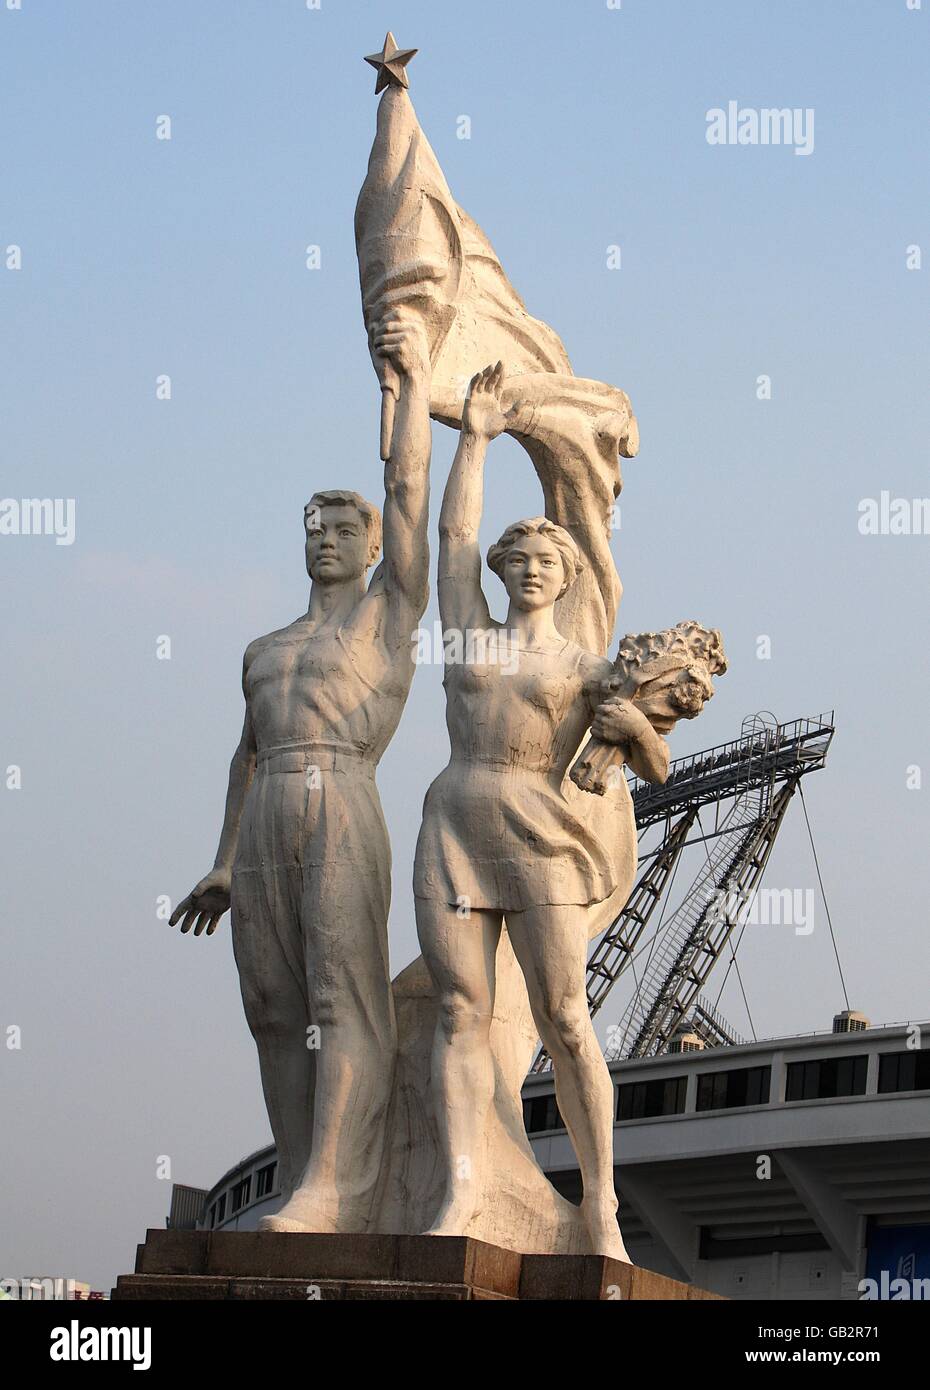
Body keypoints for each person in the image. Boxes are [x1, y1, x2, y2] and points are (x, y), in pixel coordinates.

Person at [169, 310, 432, 1233]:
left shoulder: (386, 620)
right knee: (274, 1007)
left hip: (342, 796)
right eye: (313, 527)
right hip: (269, 810)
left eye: (342, 527)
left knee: (339, 992)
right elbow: (244, 752)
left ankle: (337, 1184)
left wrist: (406, 382)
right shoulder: (264, 648)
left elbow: (409, 497)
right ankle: (299, 1178)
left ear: (370, 548)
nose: (326, 537)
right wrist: (225, 858)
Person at [413, 362, 674, 1260]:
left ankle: (600, 1205)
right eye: (516, 560)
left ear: (568, 577)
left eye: (545, 561)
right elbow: (453, 537)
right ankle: (463, 1188)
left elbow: (656, 762)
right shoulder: (465, 634)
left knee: (566, 1016)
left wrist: (634, 722)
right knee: (458, 1011)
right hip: (454, 822)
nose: (528, 569)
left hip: (542, 836)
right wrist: (476, 438)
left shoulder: (585, 666)